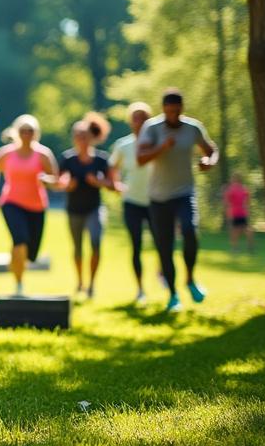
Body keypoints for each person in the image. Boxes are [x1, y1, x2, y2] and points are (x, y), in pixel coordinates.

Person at [136, 89, 219, 313]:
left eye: (177, 110)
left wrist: (208, 161)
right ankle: (173, 294)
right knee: (165, 247)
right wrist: (161, 148)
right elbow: (141, 158)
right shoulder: (152, 128)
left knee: (190, 231)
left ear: (182, 108)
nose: (173, 115)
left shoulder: (193, 128)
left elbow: (211, 150)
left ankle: (190, 279)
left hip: (184, 192)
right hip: (158, 197)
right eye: (169, 111)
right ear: (163, 109)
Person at [0, 115, 57, 296]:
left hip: (37, 206)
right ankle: (18, 284)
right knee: (20, 239)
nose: (26, 134)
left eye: (30, 131)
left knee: (30, 253)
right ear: (17, 132)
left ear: (36, 133)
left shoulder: (43, 154)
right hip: (11, 203)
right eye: (23, 131)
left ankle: (16, 261)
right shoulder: (6, 153)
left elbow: (55, 179)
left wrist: (46, 180)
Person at [56, 113, 116, 301]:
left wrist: (99, 182)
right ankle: (80, 281)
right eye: (78, 136)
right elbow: (61, 180)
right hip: (74, 209)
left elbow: (113, 184)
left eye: (85, 136)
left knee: (96, 244)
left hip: (94, 209)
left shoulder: (101, 160)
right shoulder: (67, 159)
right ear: (74, 138)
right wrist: (66, 184)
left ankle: (92, 284)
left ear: (91, 138)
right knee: (77, 248)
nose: (81, 140)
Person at [108, 102, 154, 303]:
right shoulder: (123, 145)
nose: (139, 122)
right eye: (135, 118)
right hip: (132, 201)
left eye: (143, 117)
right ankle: (140, 289)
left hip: (156, 200)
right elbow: (112, 168)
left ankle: (164, 277)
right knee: (136, 246)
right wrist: (116, 184)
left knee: (163, 244)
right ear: (130, 121)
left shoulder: (156, 142)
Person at [222, 172, 254, 253]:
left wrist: (226, 211)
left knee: (234, 231)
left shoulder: (230, 189)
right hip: (243, 212)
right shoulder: (244, 188)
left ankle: (234, 248)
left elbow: (226, 202)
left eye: (232, 178)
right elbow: (249, 199)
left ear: (233, 179)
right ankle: (250, 246)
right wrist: (247, 207)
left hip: (234, 212)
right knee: (246, 229)